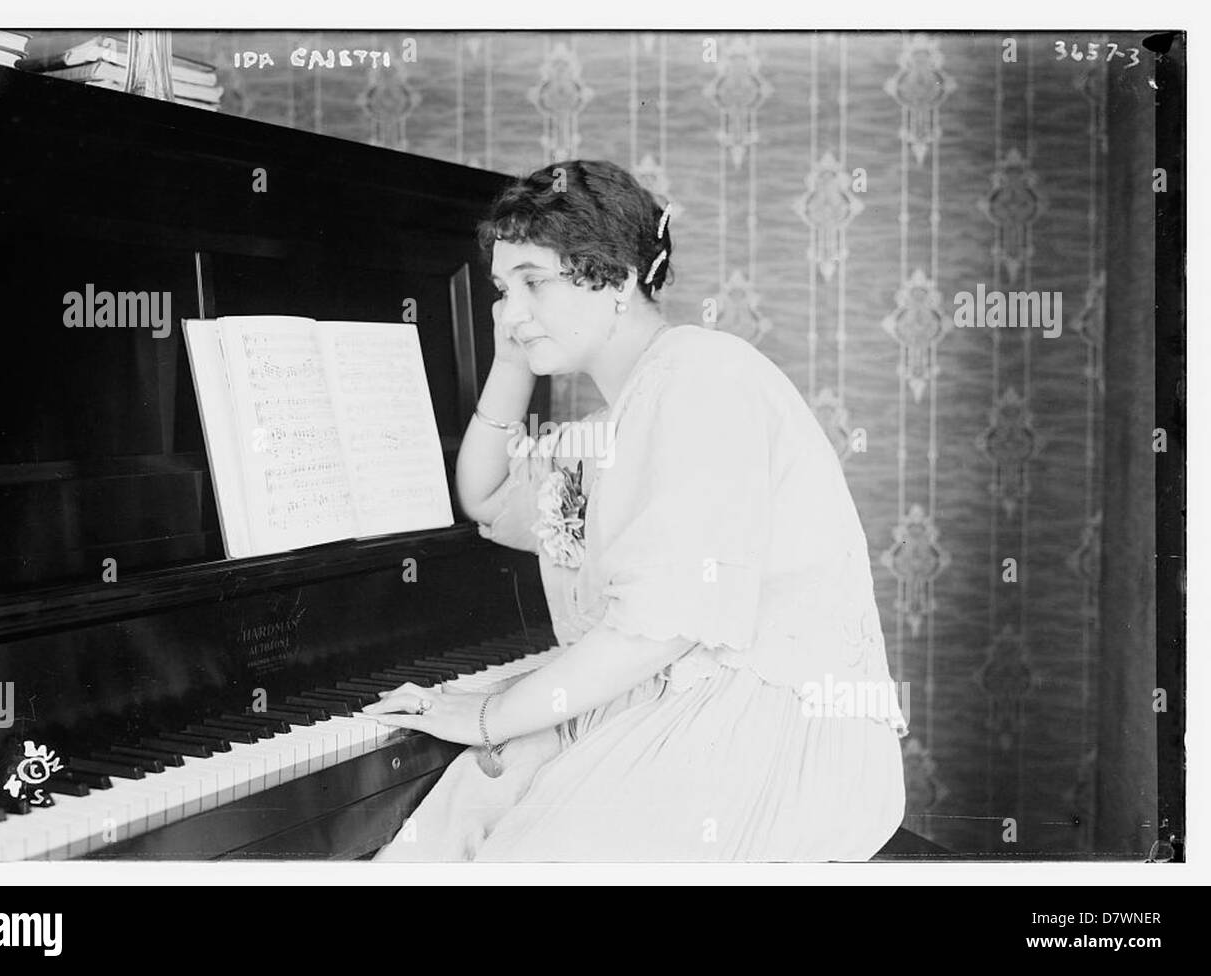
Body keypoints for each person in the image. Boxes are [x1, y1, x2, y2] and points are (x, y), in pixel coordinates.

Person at [367, 159, 907, 861]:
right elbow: (485, 495)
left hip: (762, 735)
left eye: (534, 282)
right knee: (452, 827)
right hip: (671, 703)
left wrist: (494, 714)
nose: (509, 311)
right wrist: (510, 363)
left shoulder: (701, 377)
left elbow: (656, 630)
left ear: (617, 279)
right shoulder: (616, 421)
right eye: (502, 290)